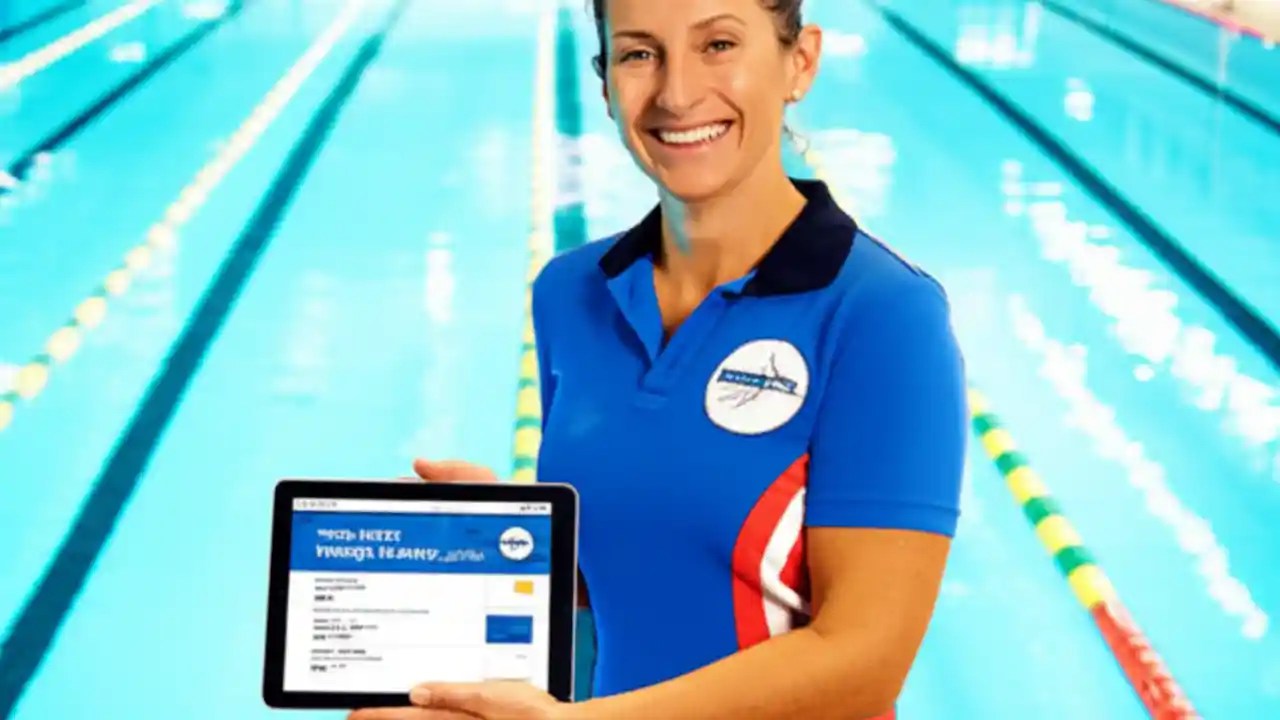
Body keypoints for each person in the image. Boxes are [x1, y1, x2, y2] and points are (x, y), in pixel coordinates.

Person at [350, 0, 966, 717]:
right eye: (640, 53)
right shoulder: (571, 294)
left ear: (799, 61)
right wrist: (511, 540)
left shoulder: (881, 315)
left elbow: (862, 662)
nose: (677, 94)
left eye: (719, 44)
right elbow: (655, 565)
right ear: (605, 83)